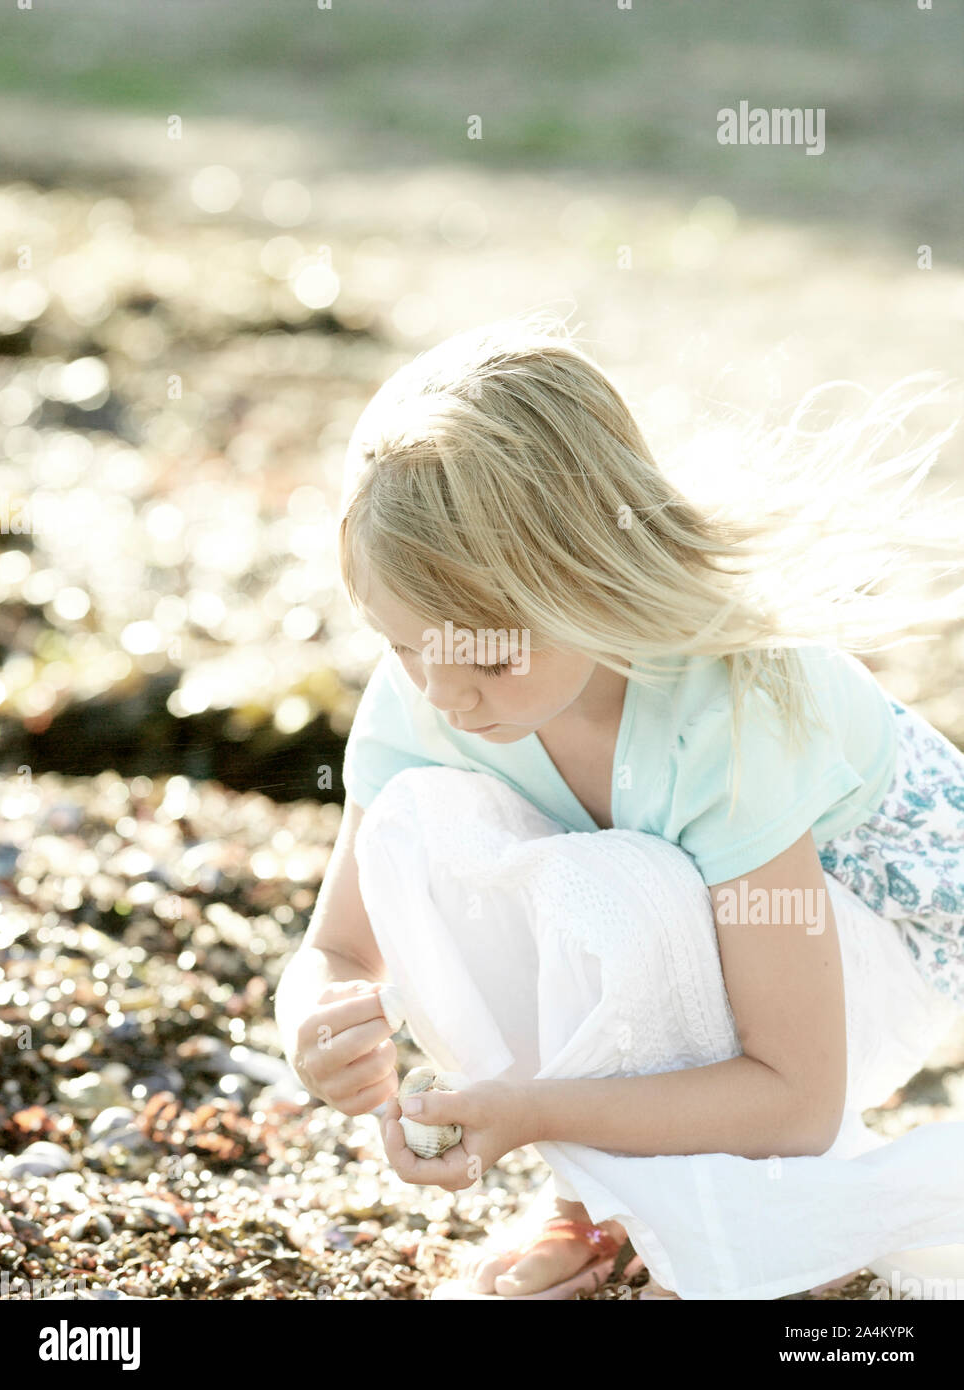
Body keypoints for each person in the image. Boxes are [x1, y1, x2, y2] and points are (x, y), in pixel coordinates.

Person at [276, 311, 964, 1300]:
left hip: (873, 955)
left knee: (625, 890)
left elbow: (795, 1095)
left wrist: (537, 1112)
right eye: (403, 645)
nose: (444, 694)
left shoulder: (732, 713)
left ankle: (685, 1216)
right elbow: (338, 949)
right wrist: (315, 1024)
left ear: (591, 580)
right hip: (702, 940)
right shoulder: (428, 689)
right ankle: (612, 1205)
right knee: (418, 825)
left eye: (490, 657)